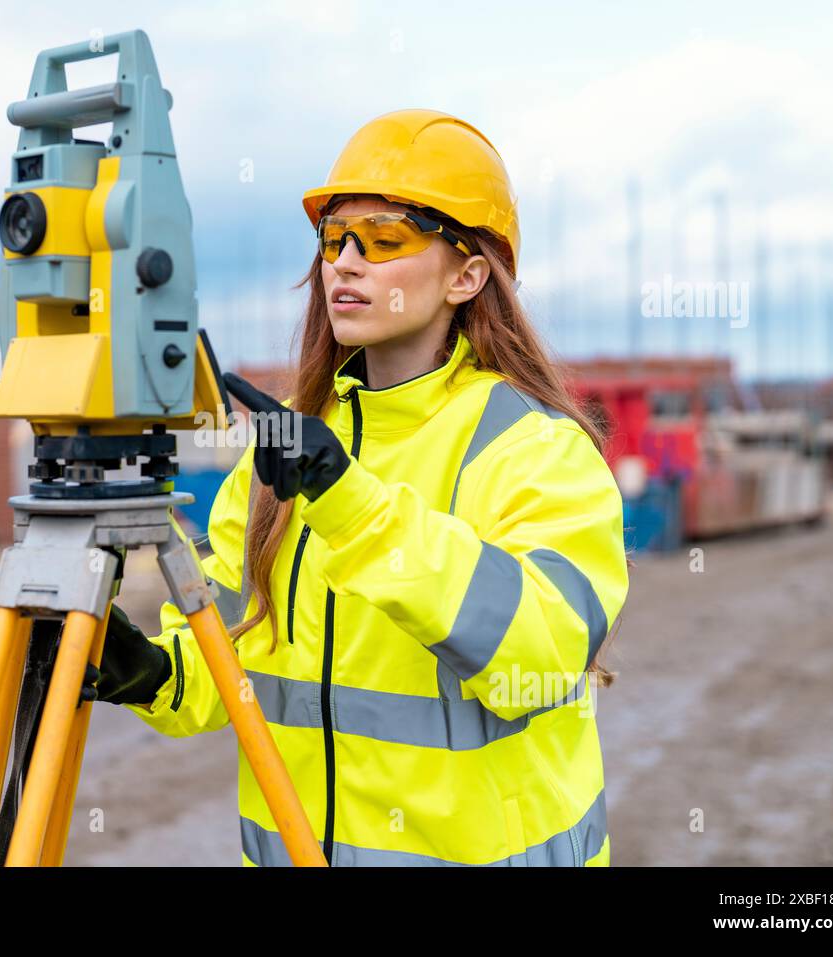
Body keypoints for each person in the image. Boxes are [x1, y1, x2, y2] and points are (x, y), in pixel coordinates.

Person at [84, 109, 629, 867]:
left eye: (383, 238)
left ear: (468, 274)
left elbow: (536, 656)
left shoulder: (535, 449)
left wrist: (350, 503)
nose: (344, 260)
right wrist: (152, 672)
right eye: (333, 238)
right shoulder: (287, 451)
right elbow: (236, 650)